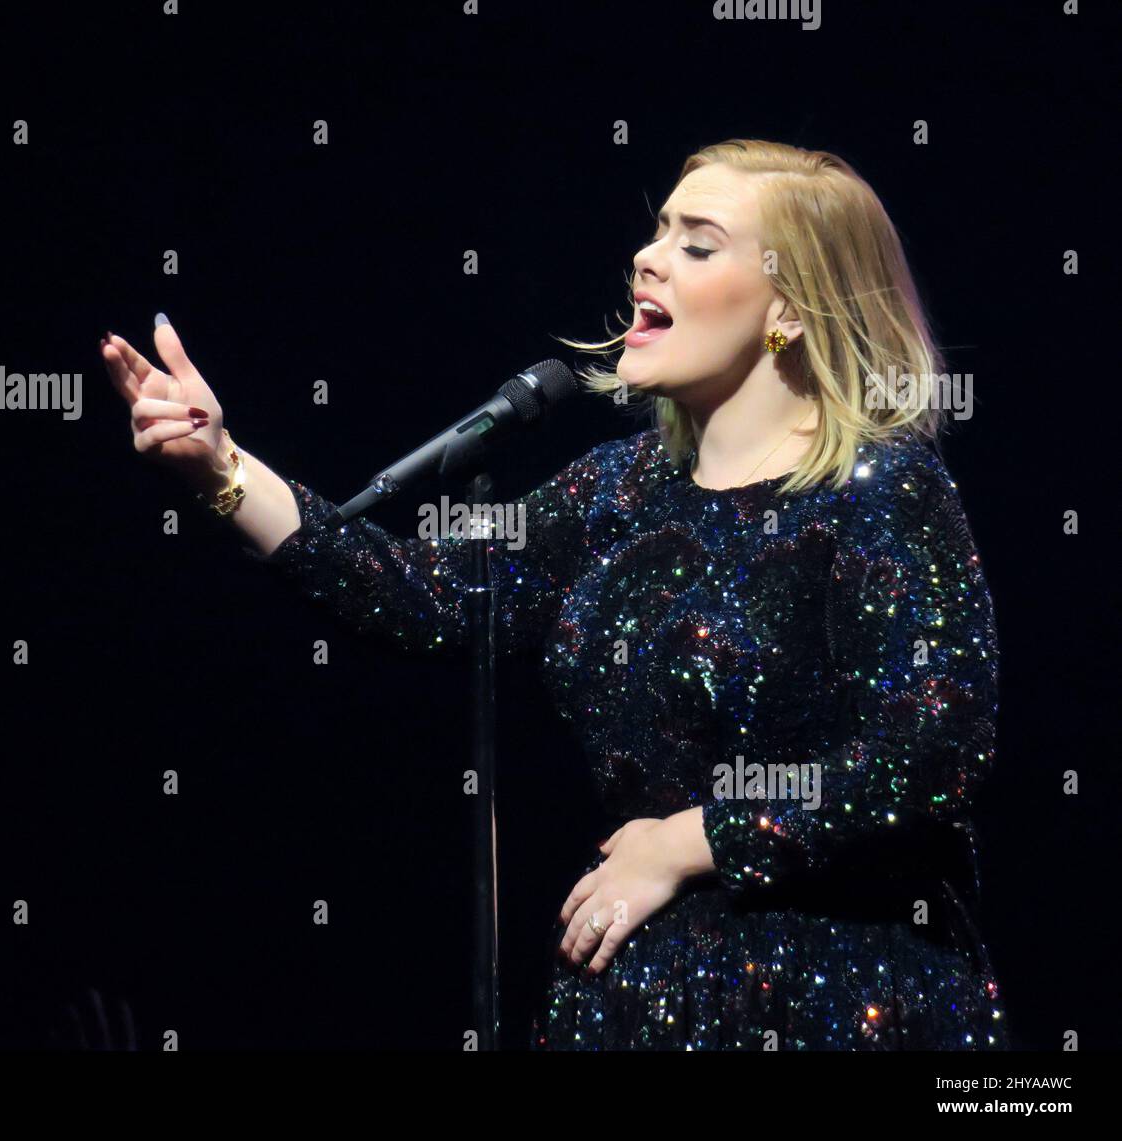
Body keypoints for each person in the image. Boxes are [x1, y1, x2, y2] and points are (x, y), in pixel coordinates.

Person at [100, 138, 1007, 1051]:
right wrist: (222, 466)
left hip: (838, 1002)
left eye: (698, 244)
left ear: (791, 310)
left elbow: (936, 747)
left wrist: (700, 837)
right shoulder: (615, 490)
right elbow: (427, 597)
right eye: (657, 233)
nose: (647, 257)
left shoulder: (879, 489)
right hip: (634, 999)